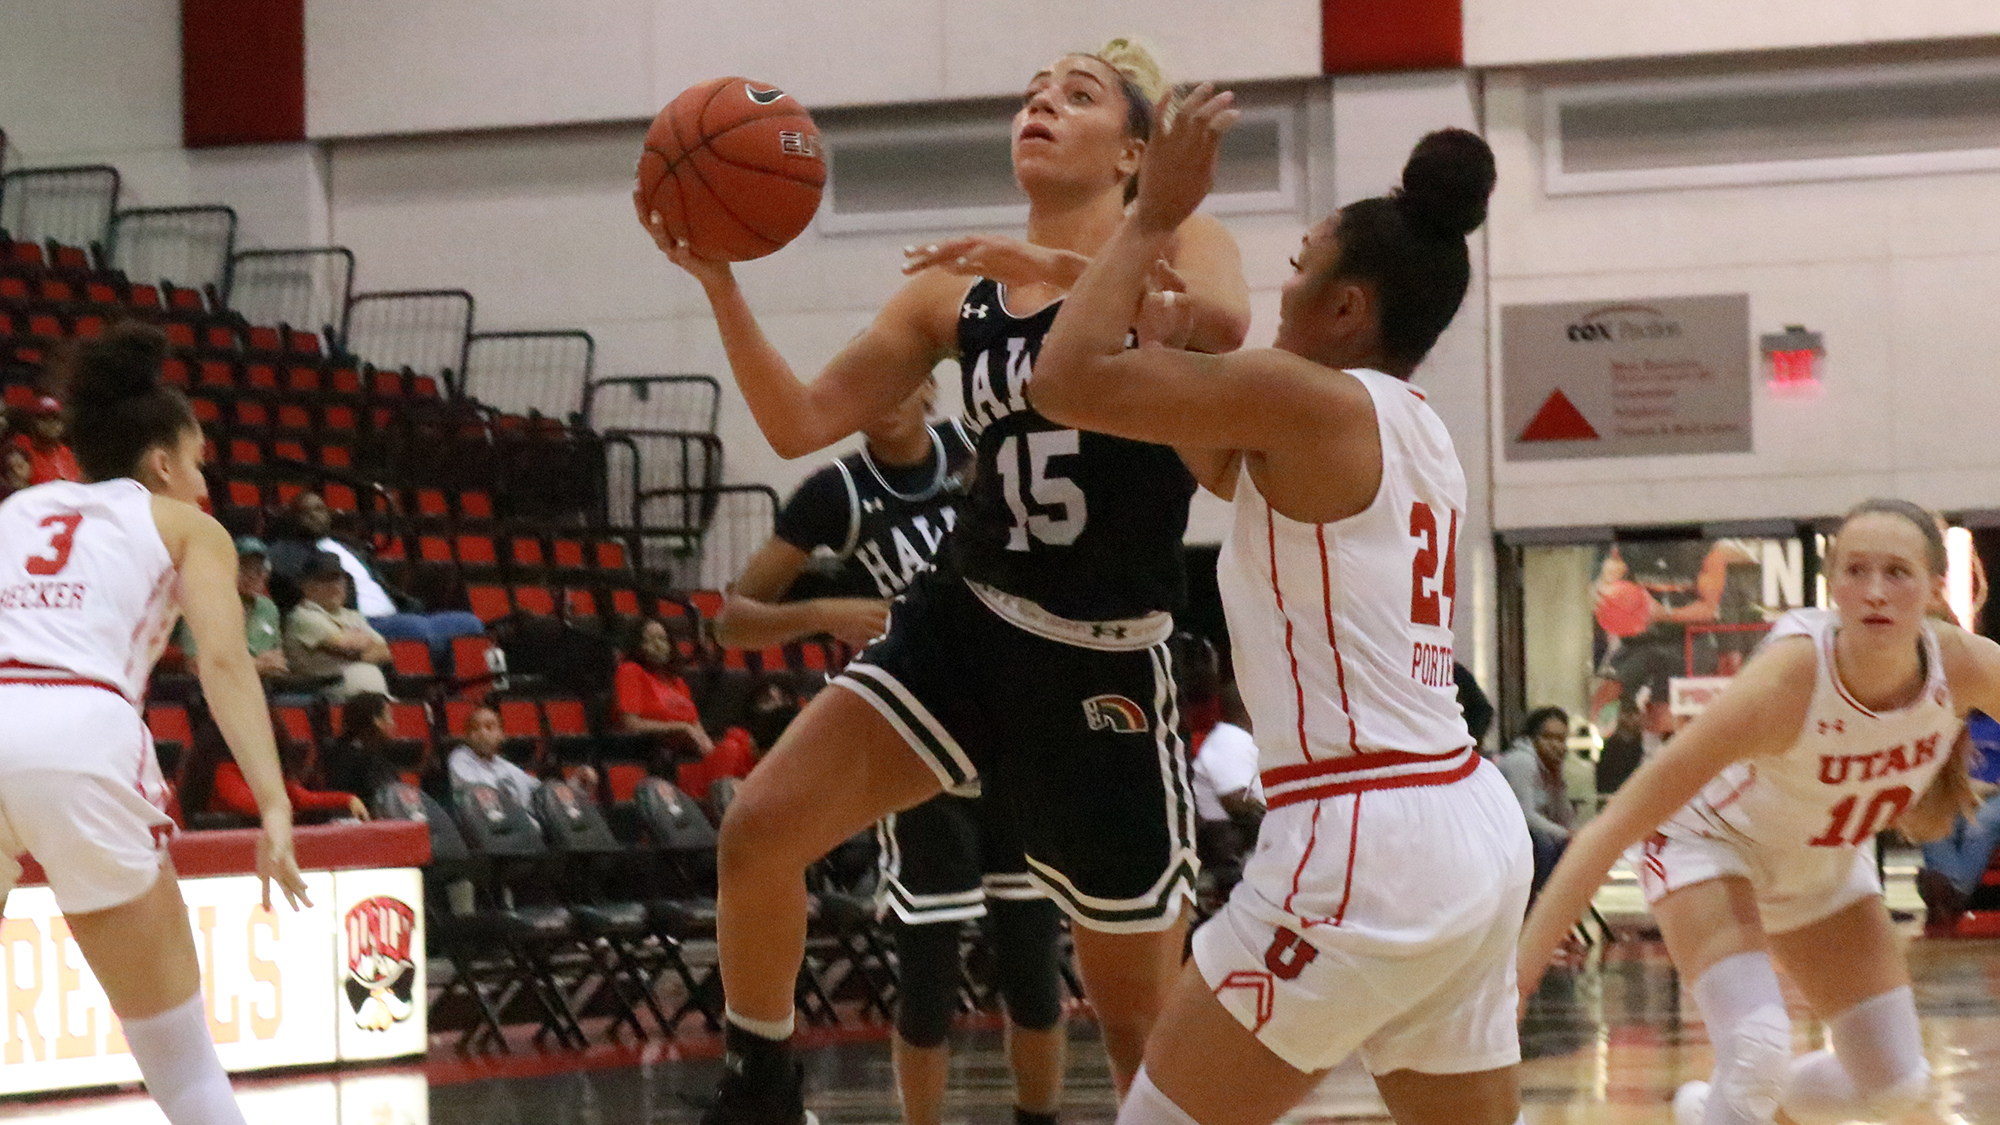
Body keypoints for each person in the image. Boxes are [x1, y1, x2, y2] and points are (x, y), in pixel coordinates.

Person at [638, 37, 1251, 1122]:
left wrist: (1074, 263)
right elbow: (797, 422)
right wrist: (719, 281)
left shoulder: (1182, 231)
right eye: (1028, 96)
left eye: (1076, 97)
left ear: (1133, 155)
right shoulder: (952, 295)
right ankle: (760, 1090)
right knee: (758, 831)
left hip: (1102, 653)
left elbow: (1213, 328)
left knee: (1132, 1026)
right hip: (962, 621)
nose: (1039, 108)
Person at [1032, 89, 1523, 1125]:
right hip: (1462, 824)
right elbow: (1217, 464)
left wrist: (1150, 214)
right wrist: (1174, 350)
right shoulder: (1410, 426)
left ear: (1346, 308)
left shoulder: (1307, 400)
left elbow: (1065, 380)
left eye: (1298, 267)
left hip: (1363, 834)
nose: (1281, 286)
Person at [1518, 499, 1998, 1125]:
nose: (1874, 591)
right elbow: (1611, 827)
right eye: (1855, 571)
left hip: (1819, 865)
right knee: (1756, 1051)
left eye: (1896, 572)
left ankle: (1710, 1113)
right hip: (1706, 846)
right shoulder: (1791, 680)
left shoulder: (1966, 666)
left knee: (1897, 1088)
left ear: (1936, 587)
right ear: (1831, 583)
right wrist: (1517, 984)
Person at [718, 383, 1066, 1125]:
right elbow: (732, 621)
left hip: (1008, 726)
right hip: (916, 730)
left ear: (932, 387)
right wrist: (821, 610)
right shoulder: (833, 493)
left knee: (1034, 970)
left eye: (899, 375)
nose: (883, 393)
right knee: (928, 975)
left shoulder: (976, 457)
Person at [0, 322, 310, 1125]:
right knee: (182, 1068)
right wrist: (275, 803)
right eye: (199, 462)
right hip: (78, 731)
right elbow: (223, 664)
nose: (205, 483)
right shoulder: (187, 527)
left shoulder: (19, 508)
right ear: (164, 462)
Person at [267, 489, 485, 668]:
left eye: (319, 509)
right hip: (359, 623)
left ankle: (451, 689)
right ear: (293, 518)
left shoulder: (349, 547)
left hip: (398, 615)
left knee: (469, 624)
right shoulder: (284, 551)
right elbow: (293, 590)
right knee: (418, 631)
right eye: (305, 511)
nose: (315, 515)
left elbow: (382, 584)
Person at [615, 617, 757, 800]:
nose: (658, 645)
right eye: (649, 640)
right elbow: (630, 724)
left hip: (693, 755)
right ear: (637, 645)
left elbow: (698, 730)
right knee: (731, 749)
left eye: (662, 639)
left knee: (741, 740)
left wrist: (710, 749)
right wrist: (680, 727)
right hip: (659, 754)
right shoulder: (630, 671)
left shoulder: (678, 682)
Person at [176, 721, 367, 825]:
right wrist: (285, 791)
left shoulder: (253, 770)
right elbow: (251, 804)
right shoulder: (225, 770)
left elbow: (303, 798)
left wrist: (347, 799)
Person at [446, 702, 597, 810]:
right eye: (475, 728)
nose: (482, 733)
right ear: (466, 736)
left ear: (501, 735)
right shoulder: (460, 759)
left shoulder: (504, 765)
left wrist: (576, 783)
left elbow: (542, 794)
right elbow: (482, 797)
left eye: (489, 727)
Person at [284, 550, 392, 699]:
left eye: (338, 580)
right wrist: (363, 648)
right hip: (321, 690)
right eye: (325, 580)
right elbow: (342, 643)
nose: (334, 586)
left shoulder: (353, 616)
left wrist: (355, 654)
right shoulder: (303, 616)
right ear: (306, 586)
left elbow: (386, 651)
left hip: (359, 688)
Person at [1497, 706, 1575, 895]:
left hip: (1523, 836)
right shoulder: (1522, 761)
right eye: (1549, 738)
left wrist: (1558, 780)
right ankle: (1537, 906)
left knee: (1564, 845)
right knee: (1545, 842)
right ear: (1532, 738)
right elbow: (1526, 816)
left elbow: (1562, 816)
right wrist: (1567, 835)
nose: (1556, 745)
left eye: (1561, 739)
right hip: (1500, 838)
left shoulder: (1549, 765)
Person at [317, 692, 410, 805]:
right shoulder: (370, 761)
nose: (393, 724)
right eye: (389, 716)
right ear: (377, 721)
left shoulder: (335, 751)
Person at [11, 393, 82, 485]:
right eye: (44, 418)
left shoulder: (66, 453)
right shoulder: (21, 446)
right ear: (34, 421)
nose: (51, 424)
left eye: (56, 418)